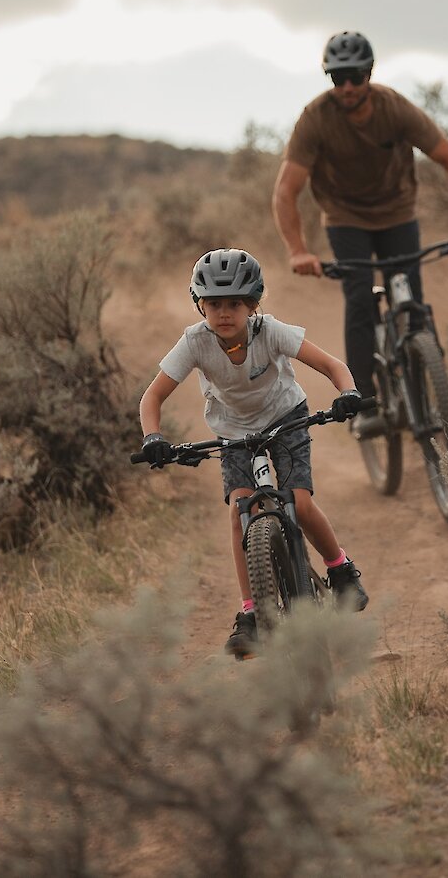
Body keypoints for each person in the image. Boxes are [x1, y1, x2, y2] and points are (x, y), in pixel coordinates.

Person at [138, 247, 369, 658]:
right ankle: (249, 612)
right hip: (233, 433)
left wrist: (348, 392)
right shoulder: (195, 342)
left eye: (234, 304)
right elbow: (152, 396)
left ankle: (340, 568)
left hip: (286, 418)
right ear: (199, 304)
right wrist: (153, 437)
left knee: (299, 500)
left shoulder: (272, 331)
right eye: (213, 304)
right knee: (239, 509)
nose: (223, 313)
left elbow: (331, 364)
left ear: (253, 305)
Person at [272, 30, 448, 436]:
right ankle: (367, 402)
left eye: (355, 76)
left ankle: (430, 383)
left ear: (369, 74)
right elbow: (287, 189)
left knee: (412, 300)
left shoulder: (395, 108)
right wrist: (297, 250)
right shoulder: (316, 118)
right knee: (359, 298)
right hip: (345, 218)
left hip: (398, 213)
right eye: (339, 79)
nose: (348, 87)